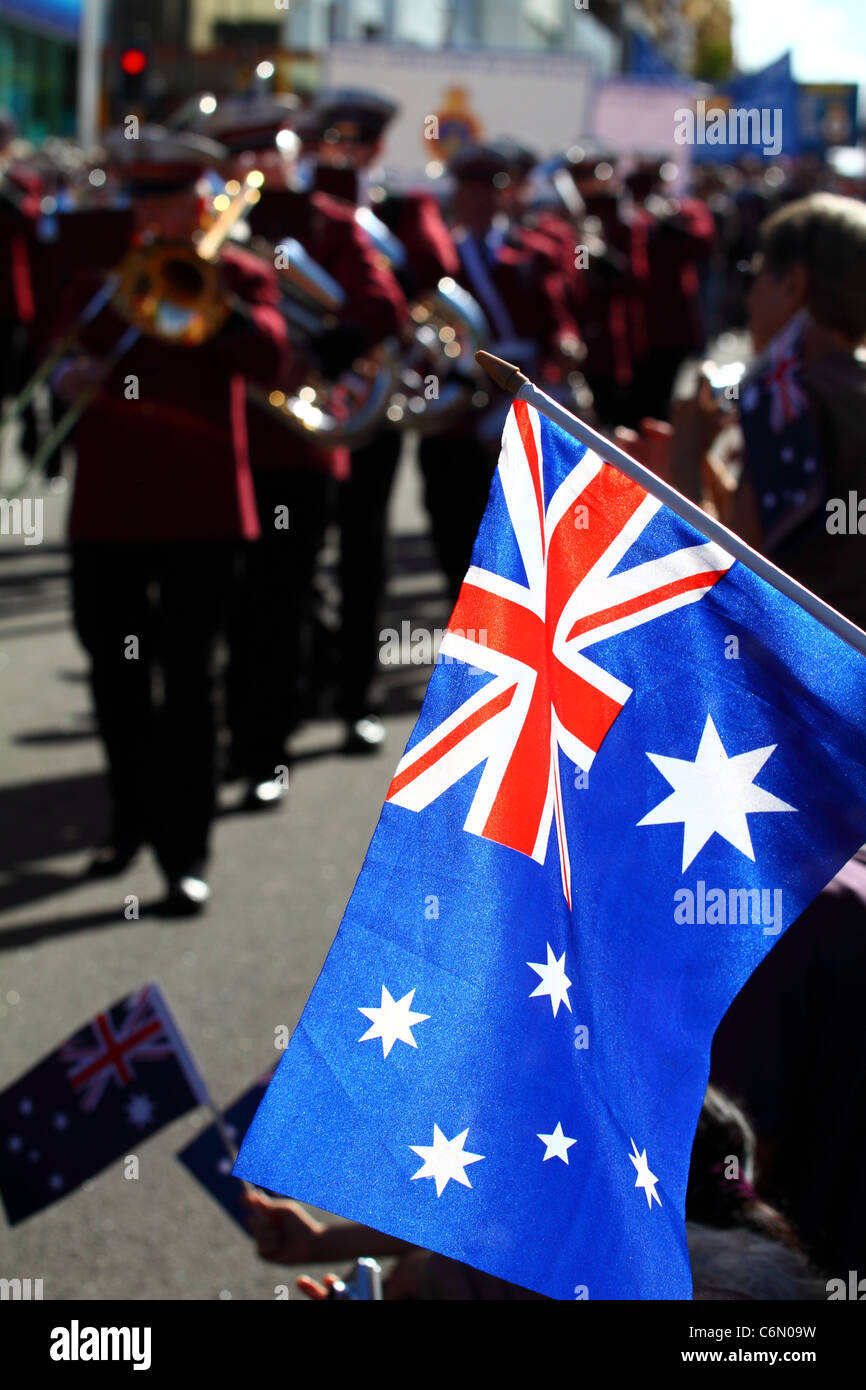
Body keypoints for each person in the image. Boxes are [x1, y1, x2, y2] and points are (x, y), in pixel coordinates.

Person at [46, 127, 289, 914]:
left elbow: (277, 363)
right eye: (141, 197)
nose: (153, 213)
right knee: (115, 675)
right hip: (109, 510)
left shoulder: (240, 276)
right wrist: (66, 375)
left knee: (189, 682)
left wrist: (215, 305)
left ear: (198, 203)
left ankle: (184, 852)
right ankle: (126, 822)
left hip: (203, 511)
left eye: (169, 198)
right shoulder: (99, 278)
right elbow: (51, 354)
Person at [189, 95, 408, 801]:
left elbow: (384, 306)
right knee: (219, 608)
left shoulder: (329, 221)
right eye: (240, 154)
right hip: (220, 444)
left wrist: (336, 338)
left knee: (278, 602)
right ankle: (220, 739)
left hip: (295, 448)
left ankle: (265, 752)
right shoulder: (205, 227)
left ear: (292, 153)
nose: (254, 167)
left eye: (268, 151)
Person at [304, 88, 459, 752]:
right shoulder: (297, 209)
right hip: (304, 400)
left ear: (376, 147)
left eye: (357, 142)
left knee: (364, 549)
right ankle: (307, 670)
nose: (346, 152)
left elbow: (437, 275)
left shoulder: (400, 209)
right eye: (333, 140)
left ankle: (355, 696)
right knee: (297, 547)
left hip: (370, 404)